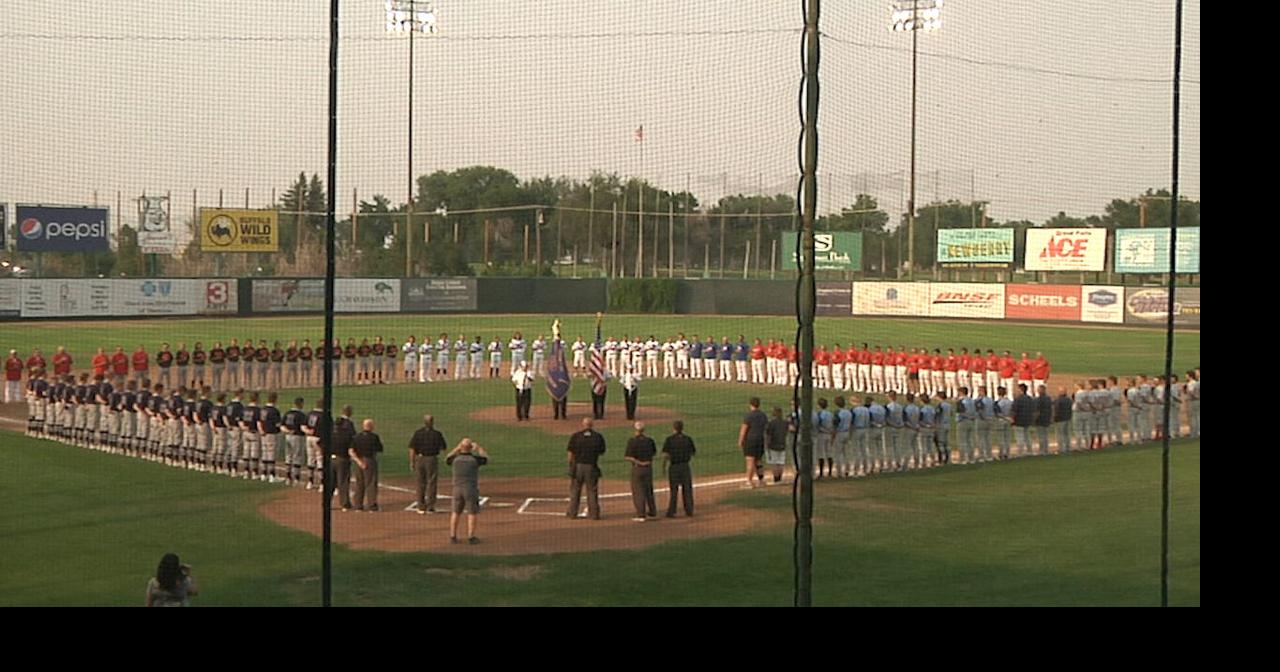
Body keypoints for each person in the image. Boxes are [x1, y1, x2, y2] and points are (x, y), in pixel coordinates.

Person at [443, 438, 490, 544]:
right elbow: (486, 458)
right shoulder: (474, 460)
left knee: (455, 512)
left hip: (457, 489)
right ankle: (471, 537)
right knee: (472, 513)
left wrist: (457, 448)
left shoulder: (455, 460)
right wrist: (479, 448)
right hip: (470, 489)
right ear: (470, 448)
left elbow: (447, 458)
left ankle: (453, 536)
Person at [566, 417, 606, 520]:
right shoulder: (597, 437)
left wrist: (571, 466)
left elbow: (570, 453)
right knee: (592, 491)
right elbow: (602, 451)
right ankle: (594, 514)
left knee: (575, 490)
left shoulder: (576, 436)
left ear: (583, 424)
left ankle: (572, 513)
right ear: (592, 425)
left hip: (578, 466)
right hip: (591, 466)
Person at [409, 414, 447, 514]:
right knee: (432, 482)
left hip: (420, 459)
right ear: (432, 422)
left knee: (420, 482)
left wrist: (412, 461)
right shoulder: (437, 434)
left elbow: (412, 448)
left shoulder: (418, 433)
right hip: (432, 459)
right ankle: (430, 506)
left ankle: (421, 506)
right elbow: (443, 447)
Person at [662, 420, 697, 517]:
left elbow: (666, 455)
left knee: (674, 490)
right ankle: (689, 510)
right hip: (685, 466)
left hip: (674, 467)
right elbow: (693, 453)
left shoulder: (669, 440)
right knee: (687, 489)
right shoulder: (688, 439)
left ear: (674, 428)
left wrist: (664, 467)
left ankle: (672, 511)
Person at [624, 422, 658, 521]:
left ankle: (641, 514)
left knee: (638, 491)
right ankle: (652, 511)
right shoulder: (649, 440)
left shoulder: (632, 441)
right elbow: (654, 453)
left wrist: (638, 462)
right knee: (649, 490)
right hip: (648, 468)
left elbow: (628, 456)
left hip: (637, 468)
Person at [350, 418, 383, 512]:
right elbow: (379, 449)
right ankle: (372, 506)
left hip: (358, 461)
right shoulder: (374, 437)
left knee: (359, 483)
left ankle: (358, 505)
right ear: (371, 426)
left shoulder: (356, 437)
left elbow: (351, 451)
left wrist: (359, 462)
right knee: (371, 483)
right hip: (370, 461)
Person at [330, 405, 356, 511]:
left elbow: (320, 443)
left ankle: (326, 504)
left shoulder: (331, 432)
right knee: (343, 482)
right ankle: (344, 504)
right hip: (342, 459)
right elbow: (352, 443)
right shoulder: (347, 432)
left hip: (330, 460)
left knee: (330, 483)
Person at [739, 397, 769, 487]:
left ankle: (749, 481)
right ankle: (761, 480)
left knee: (750, 461)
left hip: (750, 440)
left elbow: (744, 429)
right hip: (760, 440)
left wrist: (740, 441)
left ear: (750, 404)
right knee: (758, 461)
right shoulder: (763, 415)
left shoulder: (749, 416)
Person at [282, 397, 307, 486]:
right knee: (297, 456)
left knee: (288, 456)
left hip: (288, 436)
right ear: (301, 404)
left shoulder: (288, 413)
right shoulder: (301, 415)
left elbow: (282, 426)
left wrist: (288, 431)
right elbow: (302, 427)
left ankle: (288, 477)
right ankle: (296, 478)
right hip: (297, 436)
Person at [765, 406, 789, 484]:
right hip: (782, 444)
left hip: (773, 445)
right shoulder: (785, 423)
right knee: (781, 462)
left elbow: (769, 435)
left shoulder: (771, 423)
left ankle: (776, 479)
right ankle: (780, 478)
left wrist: (767, 445)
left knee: (774, 463)